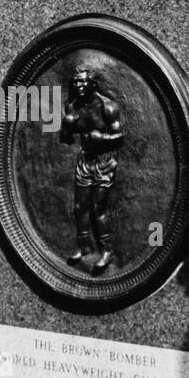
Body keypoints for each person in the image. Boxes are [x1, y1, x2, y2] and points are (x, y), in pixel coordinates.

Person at [59, 68, 124, 272]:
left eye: (83, 82)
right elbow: (67, 139)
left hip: (104, 161)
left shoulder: (107, 106)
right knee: (80, 207)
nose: (79, 86)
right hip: (85, 161)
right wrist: (67, 128)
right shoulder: (72, 106)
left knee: (98, 208)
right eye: (75, 83)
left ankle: (107, 251)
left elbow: (119, 137)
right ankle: (85, 247)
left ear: (92, 84)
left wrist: (101, 139)